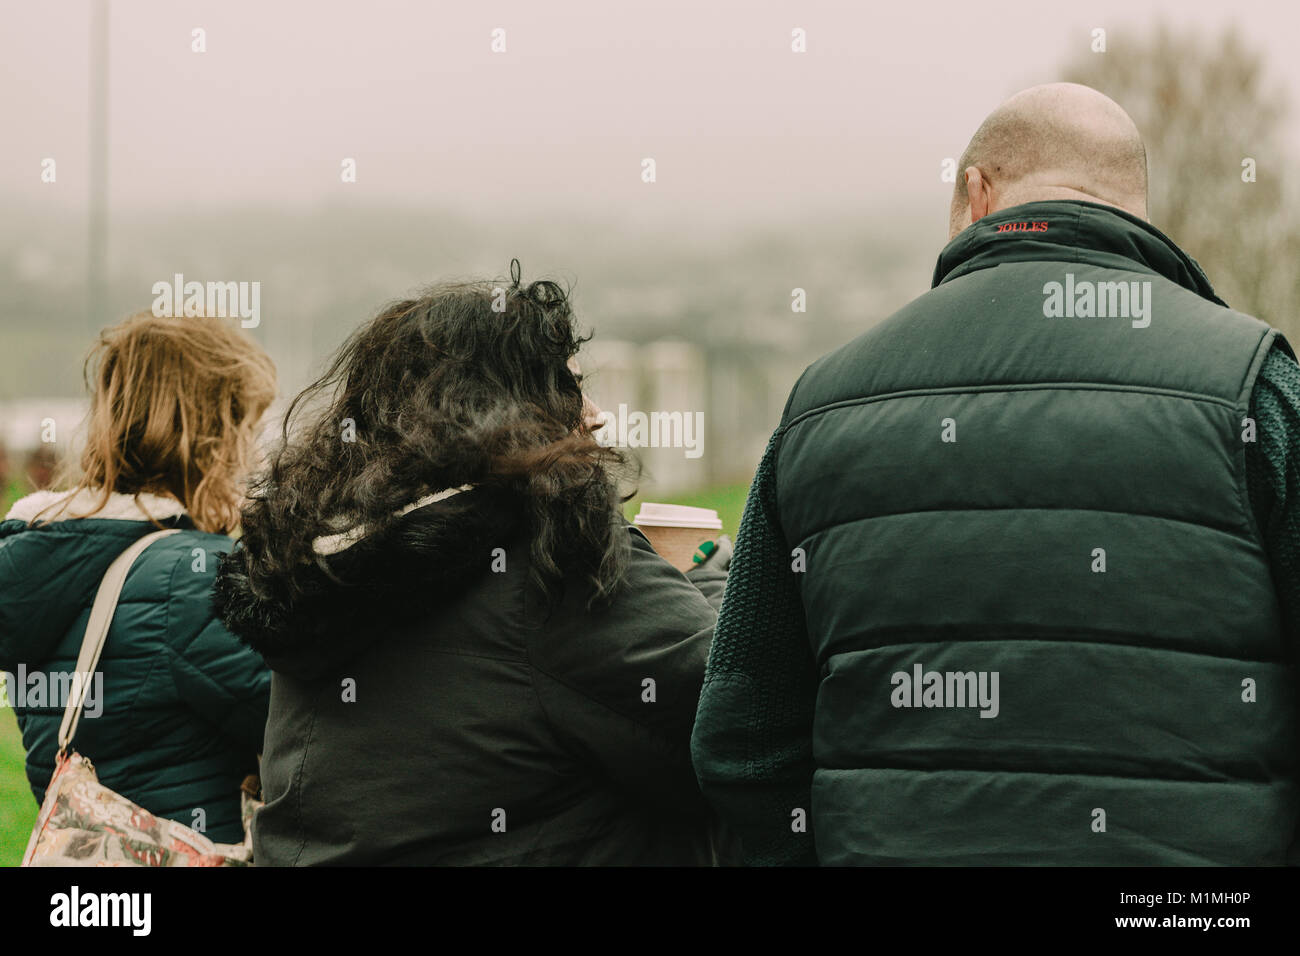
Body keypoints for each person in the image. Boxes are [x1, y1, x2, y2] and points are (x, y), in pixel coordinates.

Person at [692, 82, 1300, 866]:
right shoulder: (1255, 386)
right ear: (1136, 209)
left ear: (976, 192)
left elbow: (741, 745)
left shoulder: (820, 404)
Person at [213, 266, 731, 865]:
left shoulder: (324, 563)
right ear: (503, 412)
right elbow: (731, 711)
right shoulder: (554, 560)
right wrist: (704, 574)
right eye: (567, 389)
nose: (595, 415)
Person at [0, 311, 276, 844]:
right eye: (248, 430)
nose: (255, 455)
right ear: (212, 439)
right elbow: (307, 724)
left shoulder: (53, 562)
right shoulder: (190, 579)